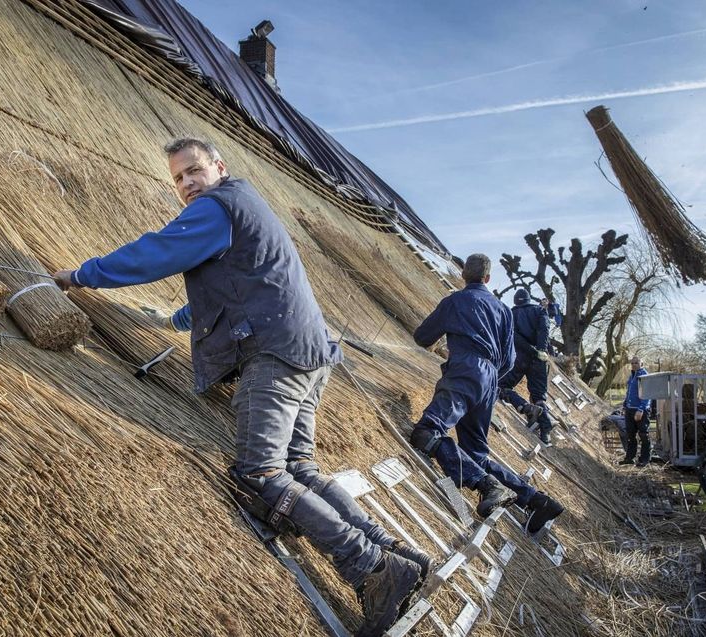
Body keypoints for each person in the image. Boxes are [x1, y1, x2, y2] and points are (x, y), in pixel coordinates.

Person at [53, 137, 429, 635]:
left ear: (218, 168)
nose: (187, 184)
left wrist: (82, 275)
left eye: (193, 171)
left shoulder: (216, 207)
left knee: (261, 470)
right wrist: (182, 318)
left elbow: (155, 253)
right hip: (307, 351)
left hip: (274, 354)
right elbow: (239, 281)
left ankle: (372, 569)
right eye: (178, 178)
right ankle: (395, 551)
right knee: (299, 467)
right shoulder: (244, 206)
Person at [408, 254, 564, 532]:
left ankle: (485, 484)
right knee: (475, 454)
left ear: (463, 275)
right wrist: (487, 376)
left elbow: (422, 337)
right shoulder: (503, 311)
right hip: (490, 379)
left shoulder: (455, 301)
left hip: (464, 371)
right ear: (488, 279)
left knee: (427, 432)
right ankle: (537, 500)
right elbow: (509, 360)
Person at [497, 288, 556, 446]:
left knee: (502, 385)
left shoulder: (510, 314)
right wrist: (541, 350)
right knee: (539, 396)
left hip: (519, 357)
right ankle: (545, 432)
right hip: (539, 359)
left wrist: (531, 350)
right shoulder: (539, 311)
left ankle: (524, 407)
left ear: (516, 301)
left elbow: (513, 337)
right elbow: (544, 329)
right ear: (529, 299)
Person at [620, 356, 651, 467]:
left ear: (641, 363)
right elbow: (629, 393)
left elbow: (647, 394)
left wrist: (641, 409)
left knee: (643, 435)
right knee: (630, 435)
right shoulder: (632, 375)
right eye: (632, 363)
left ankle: (644, 459)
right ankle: (629, 458)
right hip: (629, 409)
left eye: (636, 363)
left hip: (640, 410)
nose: (634, 364)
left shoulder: (644, 376)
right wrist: (625, 406)